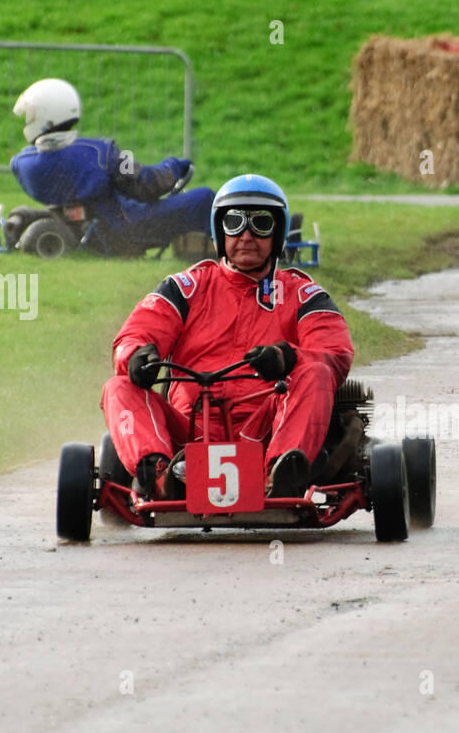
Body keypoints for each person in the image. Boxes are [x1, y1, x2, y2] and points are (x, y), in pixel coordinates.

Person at [100, 173, 354, 499]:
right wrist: (137, 356)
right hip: (190, 431)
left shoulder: (303, 293)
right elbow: (136, 333)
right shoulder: (186, 287)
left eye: (260, 224)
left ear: (278, 233)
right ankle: (165, 480)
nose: (246, 236)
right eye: (235, 223)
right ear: (220, 232)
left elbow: (334, 352)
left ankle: (281, 474)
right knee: (118, 386)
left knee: (316, 372)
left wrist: (287, 357)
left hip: (268, 426)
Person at [9, 78, 213, 253]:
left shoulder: (23, 162)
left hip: (86, 231)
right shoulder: (100, 152)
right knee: (203, 198)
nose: (28, 121)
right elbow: (147, 186)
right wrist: (174, 165)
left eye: (30, 115)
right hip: (125, 229)